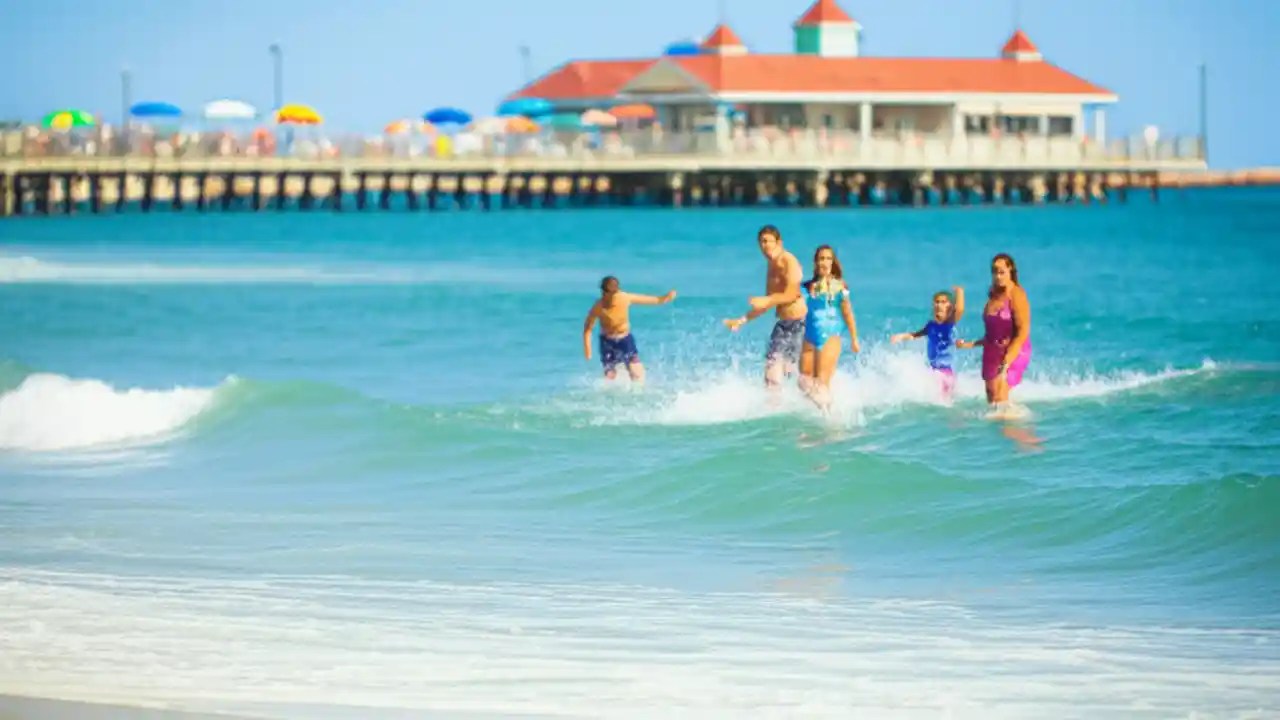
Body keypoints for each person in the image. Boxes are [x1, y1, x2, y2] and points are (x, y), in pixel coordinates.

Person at [723, 225, 807, 388]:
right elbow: (766, 304)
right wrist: (741, 320)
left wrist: (768, 300)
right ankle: (775, 409)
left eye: (768, 241)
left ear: (779, 242)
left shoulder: (789, 261)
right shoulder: (771, 266)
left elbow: (792, 294)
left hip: (800, 324)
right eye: (761, 242)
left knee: (795, 374)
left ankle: (822, 403)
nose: (764, 245)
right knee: (770, 373)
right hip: (783, 325)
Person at [957, 253, 1031, 408]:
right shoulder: (993, 296)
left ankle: (1019, 426)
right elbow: (991, 335)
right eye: (994, 272)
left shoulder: (1017, 294)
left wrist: (1010, 355)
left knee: (1001, 397)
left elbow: (1023, 330)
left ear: (1010, 271)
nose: (998, 276)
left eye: (1001, 272)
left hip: (1014, 350)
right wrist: (969, 344)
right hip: (992, 351)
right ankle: (995, 432)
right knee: (992, 401)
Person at [798, 245, 859, 410]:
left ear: (833, 262)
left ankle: (829, 419)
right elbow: (796, 309)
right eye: (821, 258)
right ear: (815, 262)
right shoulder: (805, 287)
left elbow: (847, 312)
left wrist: (854, 338)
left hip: (831, 334)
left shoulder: (840, 287)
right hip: (810, 336)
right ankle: (824, 412)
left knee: (822, 383)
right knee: (803, 381)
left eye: (828, 258)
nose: (824, 262)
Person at [583, 276, 676, 383]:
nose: (611, 296)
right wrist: (588, 350)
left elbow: (651, 300)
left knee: (636, 375)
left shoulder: (624, 297)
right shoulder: (599, 306)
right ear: (603, 291)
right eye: (607, 293)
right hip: (607, 342)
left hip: (624, 339)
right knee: (610, 376)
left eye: (614, 293)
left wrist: (665, 298)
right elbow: (588, 328)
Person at [890, 286, 966, 398]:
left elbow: (960, 310)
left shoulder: (949, 324)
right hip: (934, 371)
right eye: (937, 302)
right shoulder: (931, 325)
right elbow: (915, 335)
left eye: (943, 302)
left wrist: (960, 292)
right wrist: (900, 336)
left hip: (945, 373)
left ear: (950, 307)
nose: (939, 305)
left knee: (943, 402)